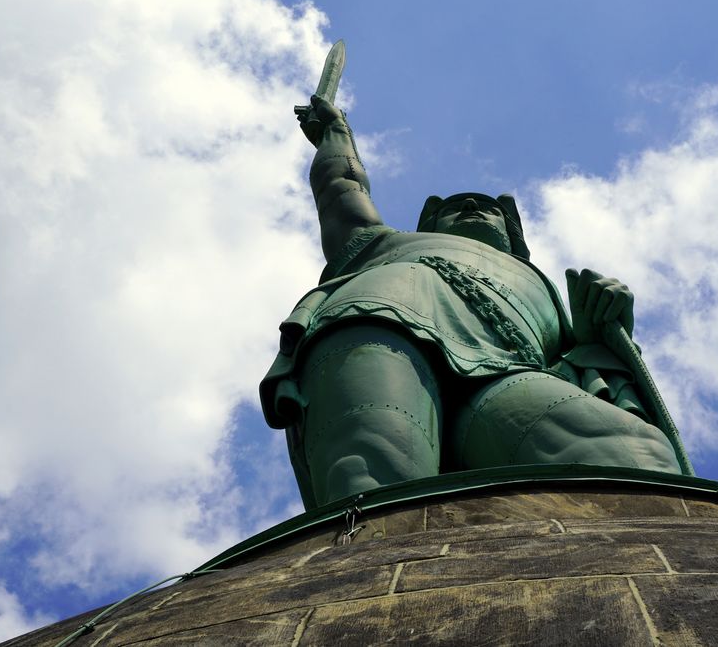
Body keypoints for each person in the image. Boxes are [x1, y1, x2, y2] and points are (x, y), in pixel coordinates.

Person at [261, 96, 683, 509]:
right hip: (381, 319)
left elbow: (581, 360)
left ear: (512, 232)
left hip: (508, 371)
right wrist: (336, 131)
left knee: (632, 453)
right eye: (451, 207)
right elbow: (341, 187)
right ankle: (368, 572)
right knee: (375, 477)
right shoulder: (382, 242)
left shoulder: (544, 288)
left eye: (486, 208)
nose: (468, 205)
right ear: (429, 222)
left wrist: (603, 323)